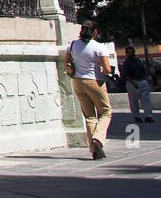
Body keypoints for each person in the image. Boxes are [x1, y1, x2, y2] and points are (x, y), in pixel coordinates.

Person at [65, 20, 114, 159]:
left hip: (77, 81)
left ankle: (94, 150)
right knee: (105, 112)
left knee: (89, 116)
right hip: (95, 82)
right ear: (95, 32)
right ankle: (97, 139)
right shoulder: (99, 47)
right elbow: (107, 69)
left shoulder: (73, 45)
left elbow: (67, 63)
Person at [121, 46, 154, 123]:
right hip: (132, 82)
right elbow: (126, 75)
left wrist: (146, 80)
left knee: (146, 100)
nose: (131, 53)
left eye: (132, 52)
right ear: (126, 53)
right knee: (134, 101)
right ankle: (136, 116)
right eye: (129, 52)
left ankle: (148, 116)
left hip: (142, 81)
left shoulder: (138, 61)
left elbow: (144, 70)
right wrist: (133, 83)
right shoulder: (126, 63)